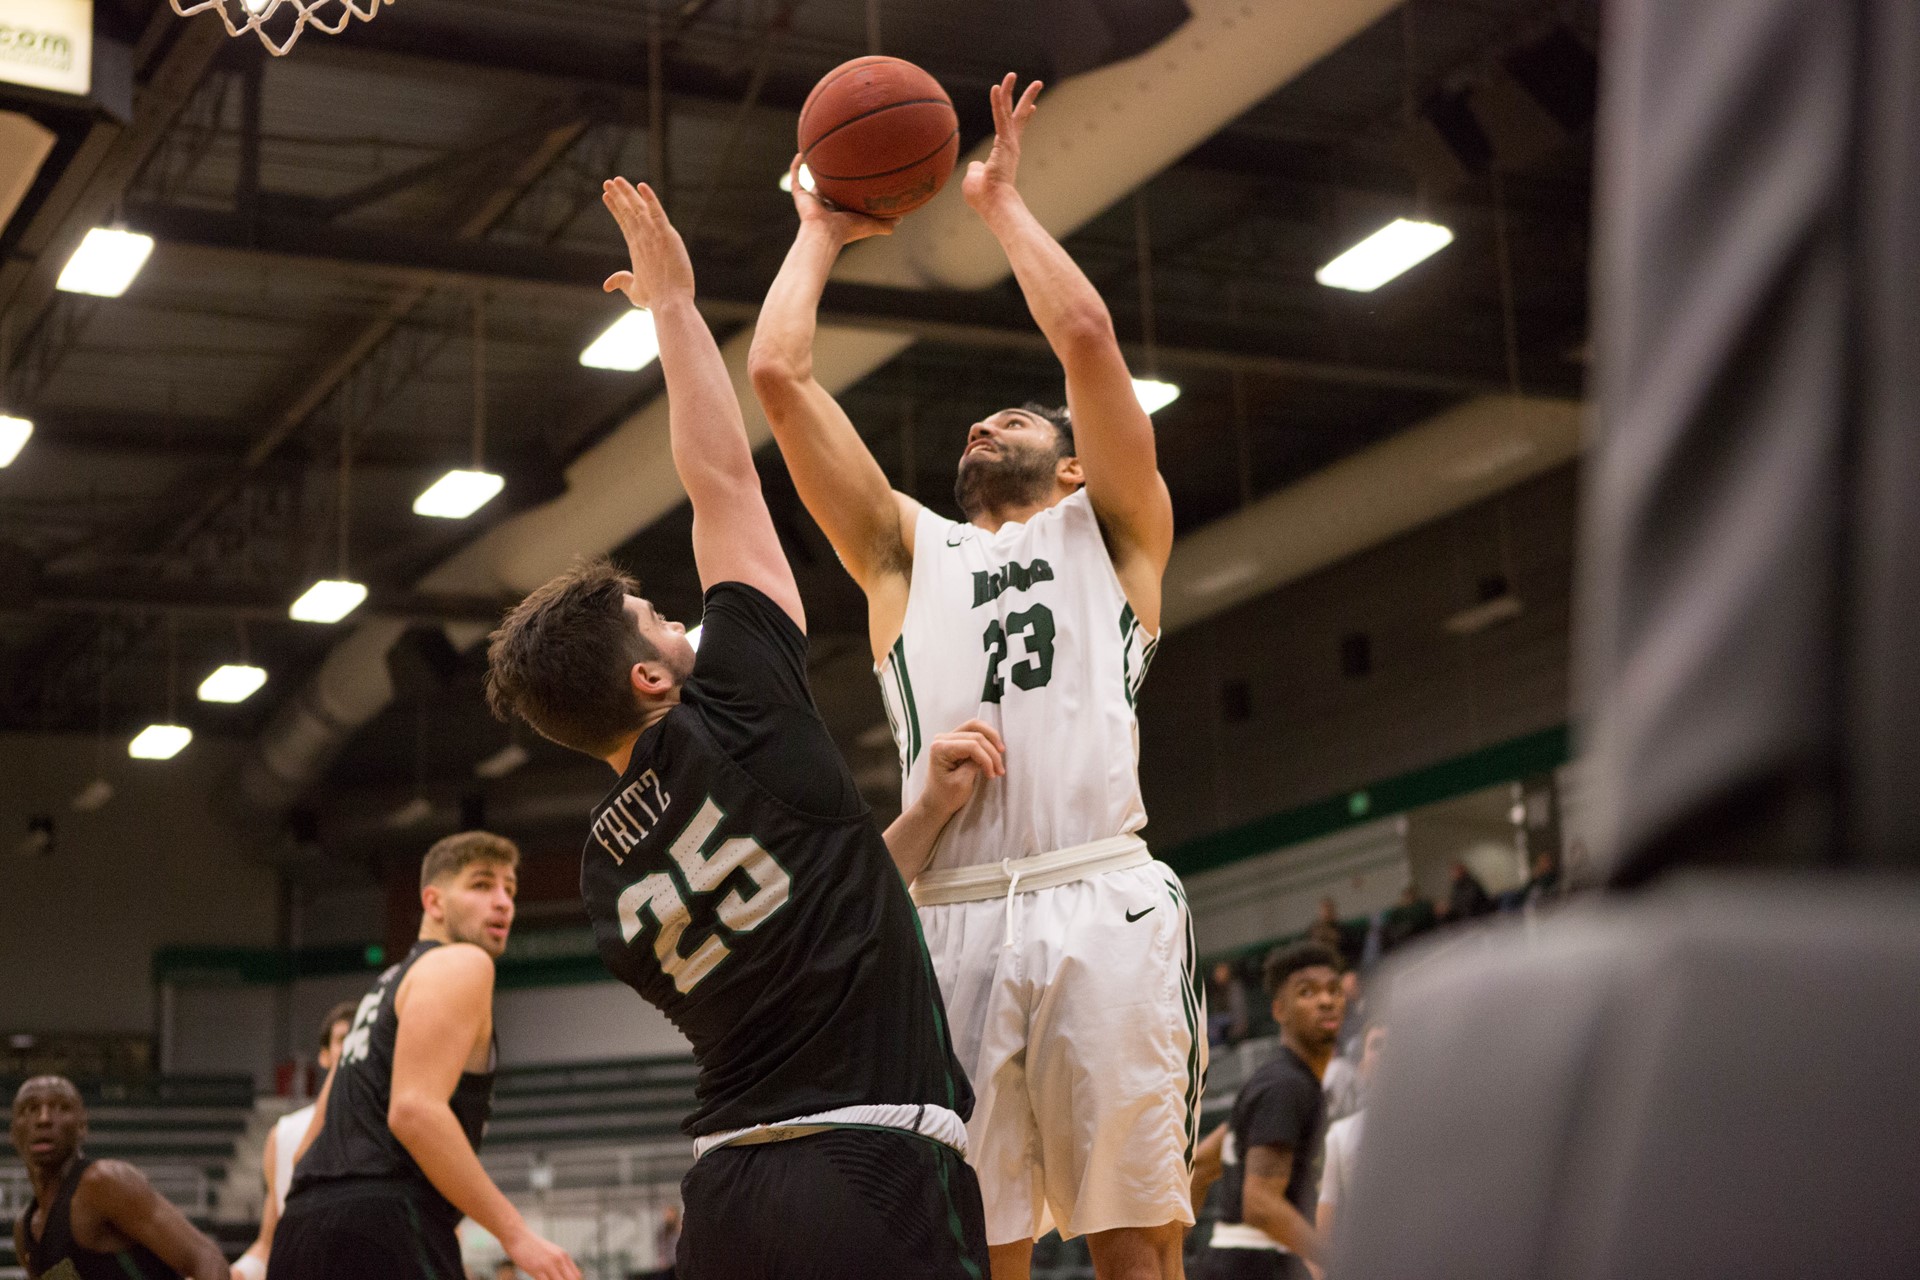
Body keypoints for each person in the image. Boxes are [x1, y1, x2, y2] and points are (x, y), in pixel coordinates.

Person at [483, 176, 994, 1279]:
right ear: (650, 679)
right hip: (872, 1165)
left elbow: (805, 923)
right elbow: (720, 476)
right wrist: (675, 304)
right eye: (662, 620)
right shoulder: (746, 707)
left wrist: (914, 822)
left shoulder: (603, 880)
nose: (685, 620)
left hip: (725, 1198)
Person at [749, 72, 1198, 1280]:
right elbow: (782, 380)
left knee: (1138, 1246)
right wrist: (816, 229)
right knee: (968, 1249)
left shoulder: (1115, 531)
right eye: (976, 423)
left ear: (1069, 470)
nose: (982, 426)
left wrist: (998, 203)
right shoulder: (903, 550)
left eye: (1016, 416)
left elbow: (1088, 339)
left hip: (1099, 895)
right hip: (944, 920)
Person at [269, 832, 577, 1280]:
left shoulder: (378, 992)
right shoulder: (462, 963)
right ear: (433, 902)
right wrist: (516, 1235)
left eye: (509, 890)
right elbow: (414, 1111)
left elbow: (305, 1149)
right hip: (386, 1219)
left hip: (300, 1229)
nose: (503, 902)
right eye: (481, 885)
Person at [1188, 943, 1345, 1280]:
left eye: (1334, 990)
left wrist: (1171, 1260)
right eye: (1307, 992)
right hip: (1256, 1263)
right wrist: (1339, 1261)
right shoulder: (1287, 1086)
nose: (1326, 1000)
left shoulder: (1272, 1079)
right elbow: (1260, 1204)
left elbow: (1201, 1163)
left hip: (1230, 1262)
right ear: (1279, 1011)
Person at [10, 1075, 228, 1280]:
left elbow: (208, 1260)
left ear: (82, 1126)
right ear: (13, 1132)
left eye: (61, 1108)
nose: (44, 1119)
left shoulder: (103, 1182)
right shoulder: (25, 1230)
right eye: (30, 1109)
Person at [229, 1001, 356, 1280]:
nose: (351, 1049)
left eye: (360, 1039)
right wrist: (236, 1272)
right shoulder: (284, 1135)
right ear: (324, 1055)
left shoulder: (396, 1127)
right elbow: (268, 1244)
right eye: (344, 1039)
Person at [1316, 1022, 1386, 1251]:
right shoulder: (1339, 1135)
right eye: (1377, 1045)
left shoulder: (1438, 1121)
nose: (1386, 1052)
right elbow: (1323, 1236)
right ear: (1362, 1066)